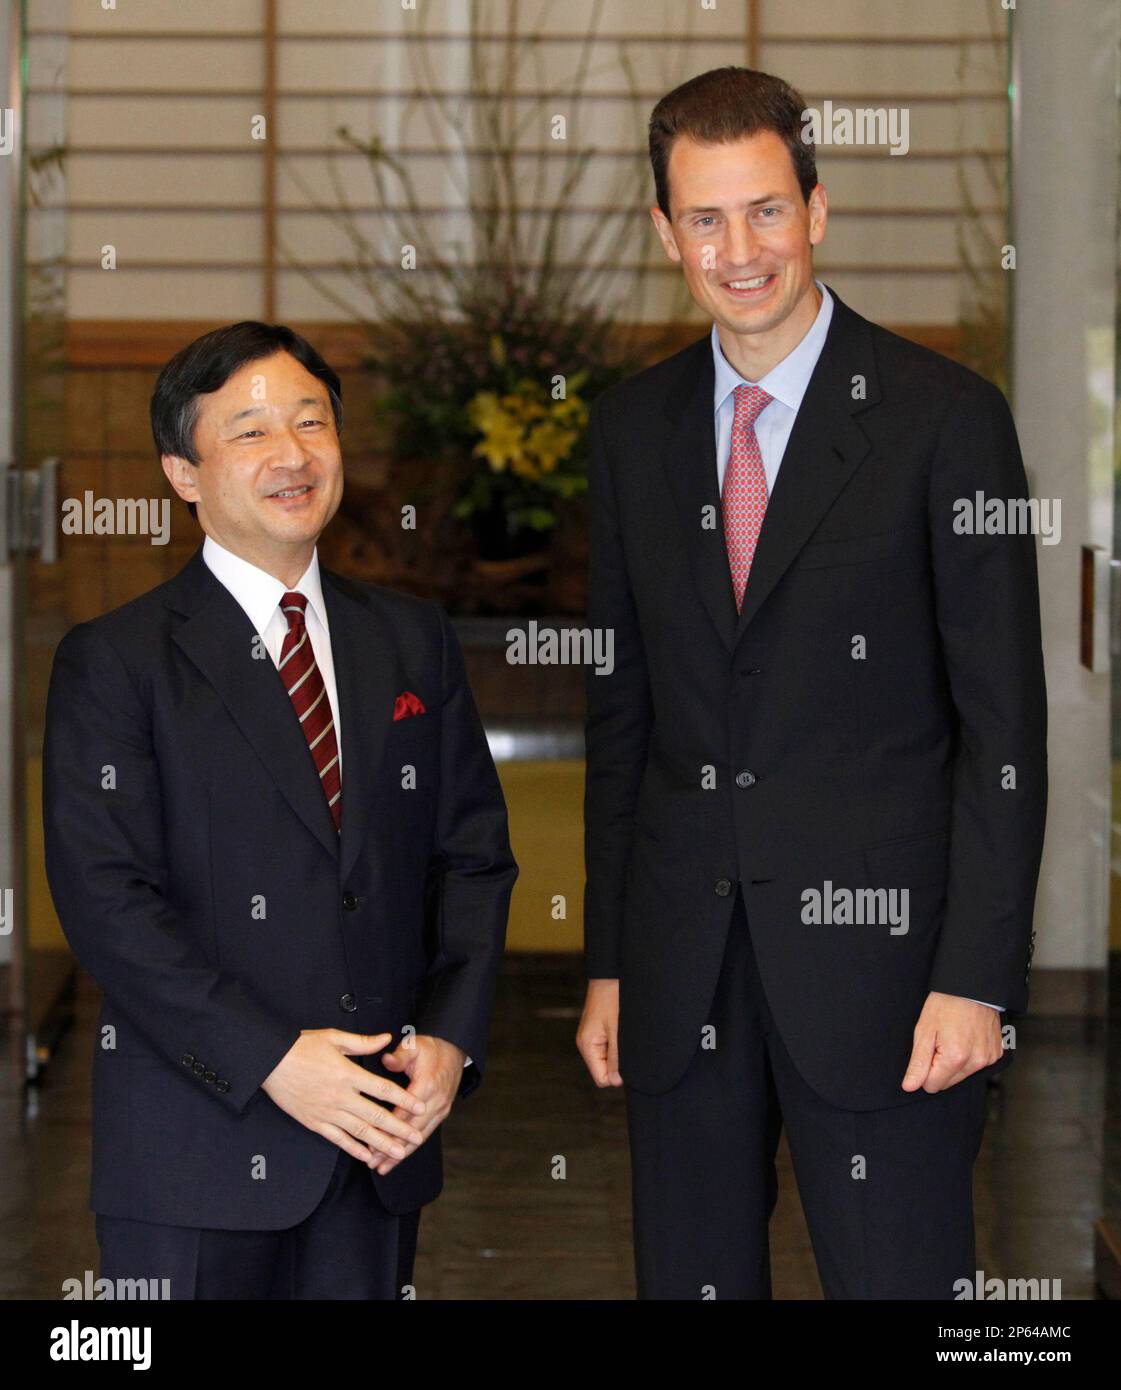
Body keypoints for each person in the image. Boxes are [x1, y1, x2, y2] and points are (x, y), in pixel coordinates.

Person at [576, 67, 1047, 1299]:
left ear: (817, 210)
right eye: (705, 219)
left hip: (891, 983)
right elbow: (622, 719)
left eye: (765, 211)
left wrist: (975, 978)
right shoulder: (631, 432)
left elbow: (1003, 728)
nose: (740, 250)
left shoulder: (944, 419)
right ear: (662, 232)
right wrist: (612, 964)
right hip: (683, 972)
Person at [43, 321, 517, 1299]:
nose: (293, 454)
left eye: (312, 423)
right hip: (196, 1150)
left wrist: (449, 1035)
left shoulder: (408, 640)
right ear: (184, 473)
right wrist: (271, 1062)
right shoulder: (119, 661)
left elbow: (470, 855)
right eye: (251, 431)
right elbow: (106, 902)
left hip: (376, 1145)